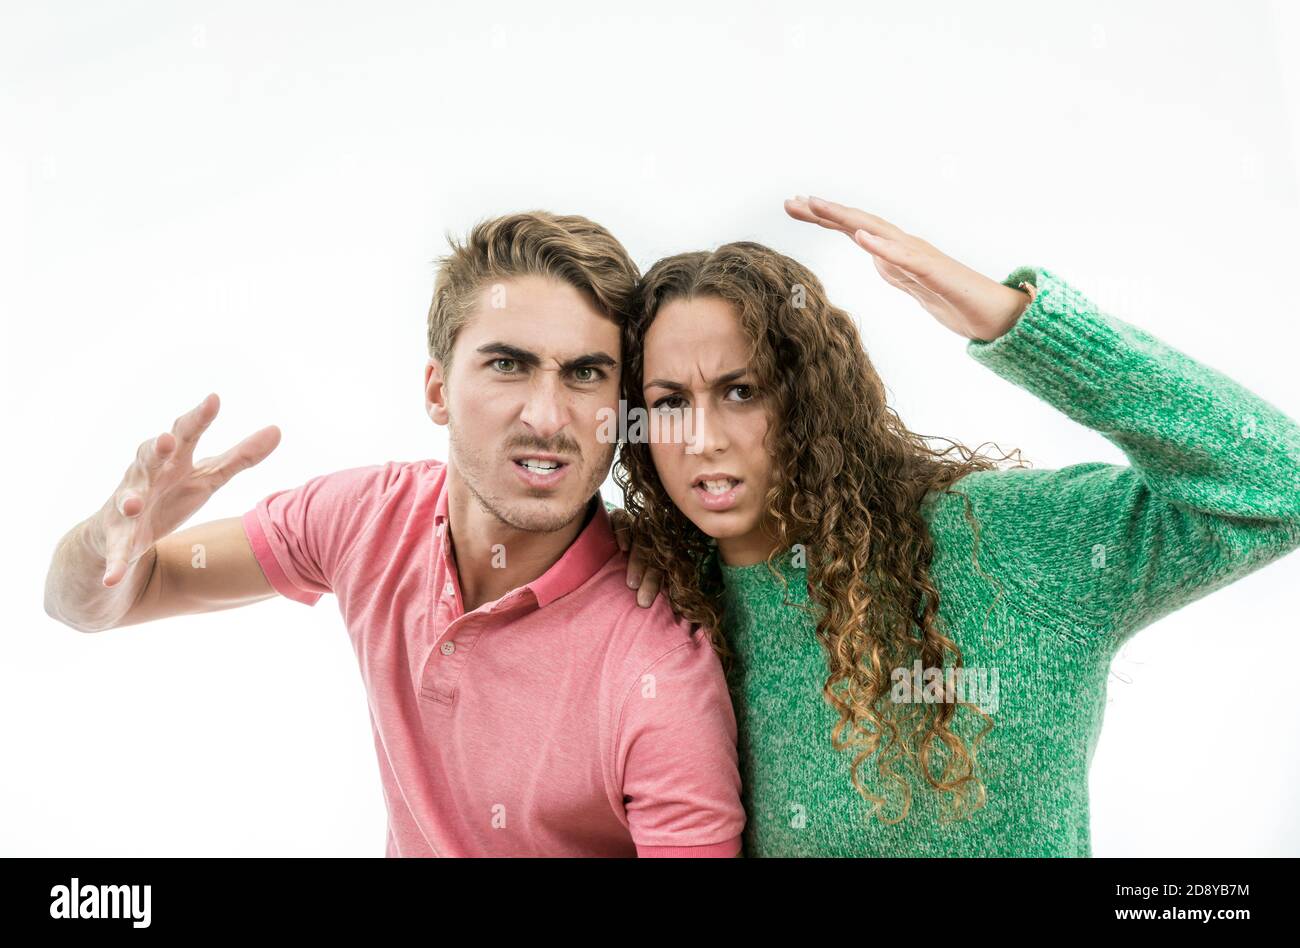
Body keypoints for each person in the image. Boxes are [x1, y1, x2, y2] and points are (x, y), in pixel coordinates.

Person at [42, 211, 745, 858]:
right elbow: (93, 603)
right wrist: (107, 542)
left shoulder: (661, 671)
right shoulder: (367, 517)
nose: (548, 416)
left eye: (586, 374)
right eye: (508, 364)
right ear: (436, 390)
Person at [614, 195, 1300, 856]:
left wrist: (1018, 325)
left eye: (742, 391)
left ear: (810, 398)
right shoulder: (660, 603)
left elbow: (1276, 483)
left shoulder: (1005, 543)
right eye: (670, 402)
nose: (701, 437)